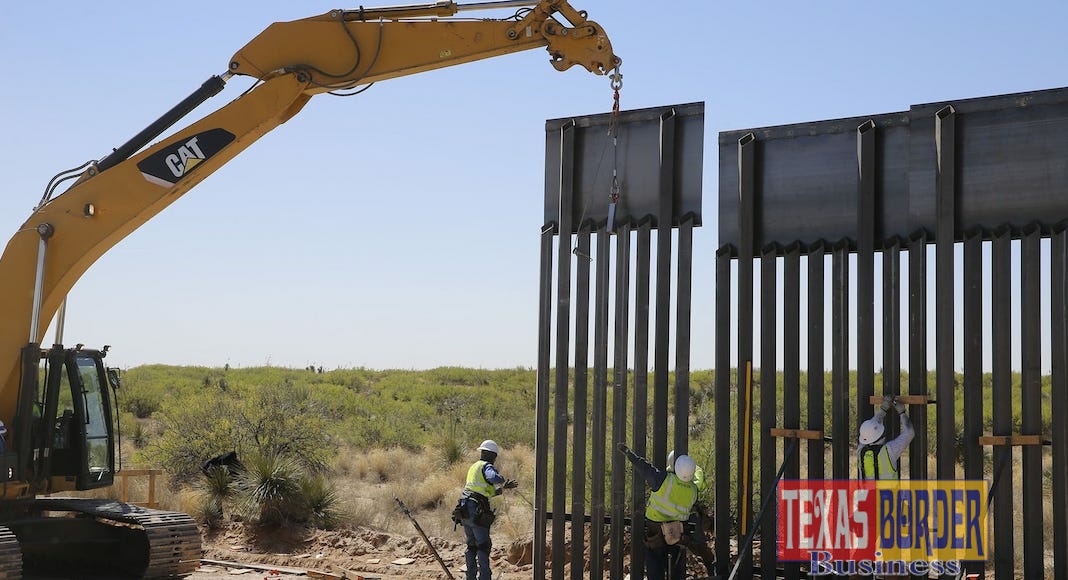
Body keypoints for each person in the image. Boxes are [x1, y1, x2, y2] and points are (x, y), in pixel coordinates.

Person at [618, 443, 700, 580]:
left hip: (656, 532)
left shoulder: (664, 480)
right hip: (676, 534)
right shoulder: (693, 490)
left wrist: (629, 453)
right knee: (676, 568)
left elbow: (644, 468)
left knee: (654, 565)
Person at [453, 439, 517, 580]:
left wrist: (503, 488)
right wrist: (501, 478)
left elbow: (484, 491)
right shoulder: (487, 466)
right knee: (483, 545)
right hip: (476, 510)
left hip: (465, 510)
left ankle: (470, 577)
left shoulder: (474, 467)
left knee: (471, 546)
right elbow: (493, 477)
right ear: (493, 456)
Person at [667, 450, 715, 577]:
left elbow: (698, 488)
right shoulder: (669, 470)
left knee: (699, 544)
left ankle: (711, 569)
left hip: (691, 514)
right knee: (672, 545)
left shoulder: (696, 471)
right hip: (675, 514)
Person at [857, 395, 915, 480]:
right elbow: (909, 432)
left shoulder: (860, 450)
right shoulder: (890, 450)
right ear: (881, 435)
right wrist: (902, 413)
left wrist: (883, 409)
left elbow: (871, 428)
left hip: (867, 493)